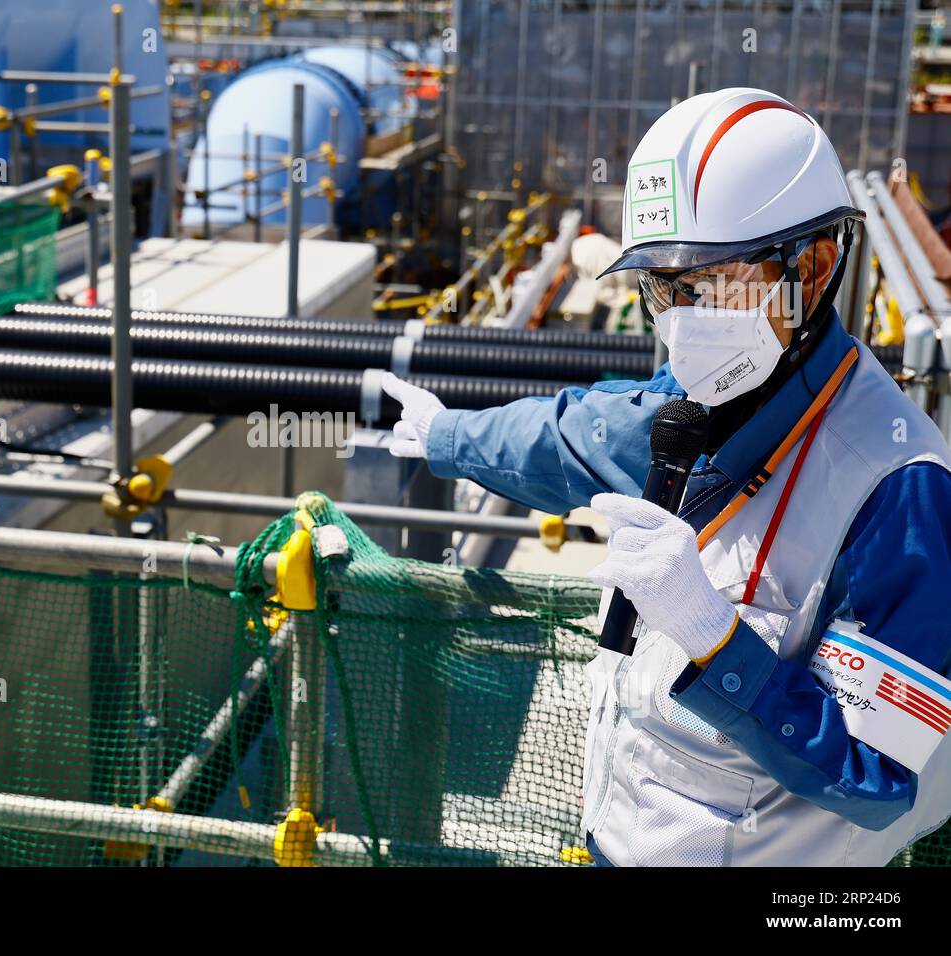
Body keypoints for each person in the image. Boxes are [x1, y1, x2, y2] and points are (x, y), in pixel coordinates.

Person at [382, 87, 951, 866]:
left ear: (812, 270)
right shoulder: (692, 413)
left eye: (710, 284)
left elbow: (877, 777)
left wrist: (716, 639)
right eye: (663, 288)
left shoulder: (898, 489)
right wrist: (447, 434)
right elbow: (566, 437)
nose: (681, 318)